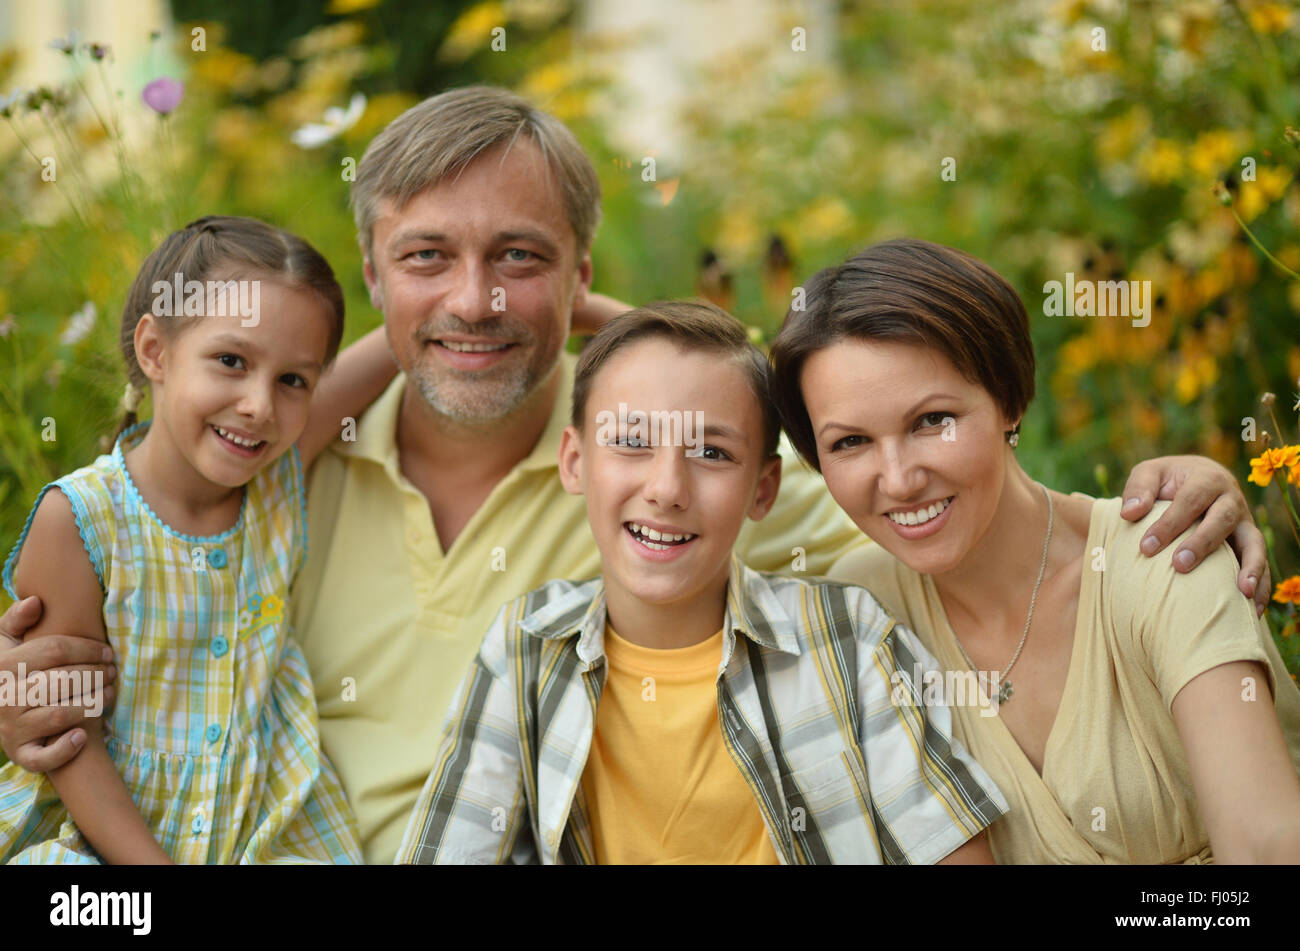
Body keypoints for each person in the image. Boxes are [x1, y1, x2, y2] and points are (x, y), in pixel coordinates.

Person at [0, 88, 1272, 865]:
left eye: (523, 258)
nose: (478, 300)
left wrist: (1175, 496)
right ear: (369, 274)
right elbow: (122, 565)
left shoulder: (681, 488)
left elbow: (920, 488)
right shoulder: (280, 465)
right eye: (427, 256)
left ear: (581, 269)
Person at [398, 301, 1006, 864]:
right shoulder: (525, 647)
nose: (667, 489)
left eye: (712, 453)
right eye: (632, 443)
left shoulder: (847, 639)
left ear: (763, 489)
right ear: (575, 462)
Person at [768, 237, 1300, 863]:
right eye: (850, 441)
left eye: (932, 420)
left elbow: (1266, 850)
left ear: (1010, 401)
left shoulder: (1165, 554)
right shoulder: (860, 610)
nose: (900, 478)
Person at [0, 216, 395, 863]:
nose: (260, 406)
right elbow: (65, 736)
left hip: (261, 829)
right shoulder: (78, 519)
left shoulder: (276, 482)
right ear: (155, 351)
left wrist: (581, 312)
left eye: (293, 380)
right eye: (231, 361)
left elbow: (401, 341)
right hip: (107, 834)